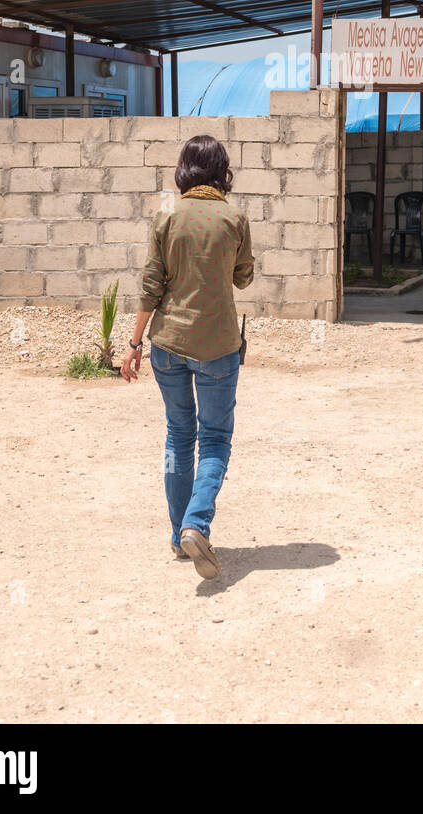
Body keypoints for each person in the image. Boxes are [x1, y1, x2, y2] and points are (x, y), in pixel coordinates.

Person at [121, 135, 253, 580]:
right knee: (214, 439)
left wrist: (135, 343)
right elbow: (244, 278)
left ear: (184, 169)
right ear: (222, 171)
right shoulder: (234, 217)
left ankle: (180, 536)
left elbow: (150, 285)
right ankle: (196, 524)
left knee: (179, 435)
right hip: (217, 347)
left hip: (167, 345)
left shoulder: (167, 213)